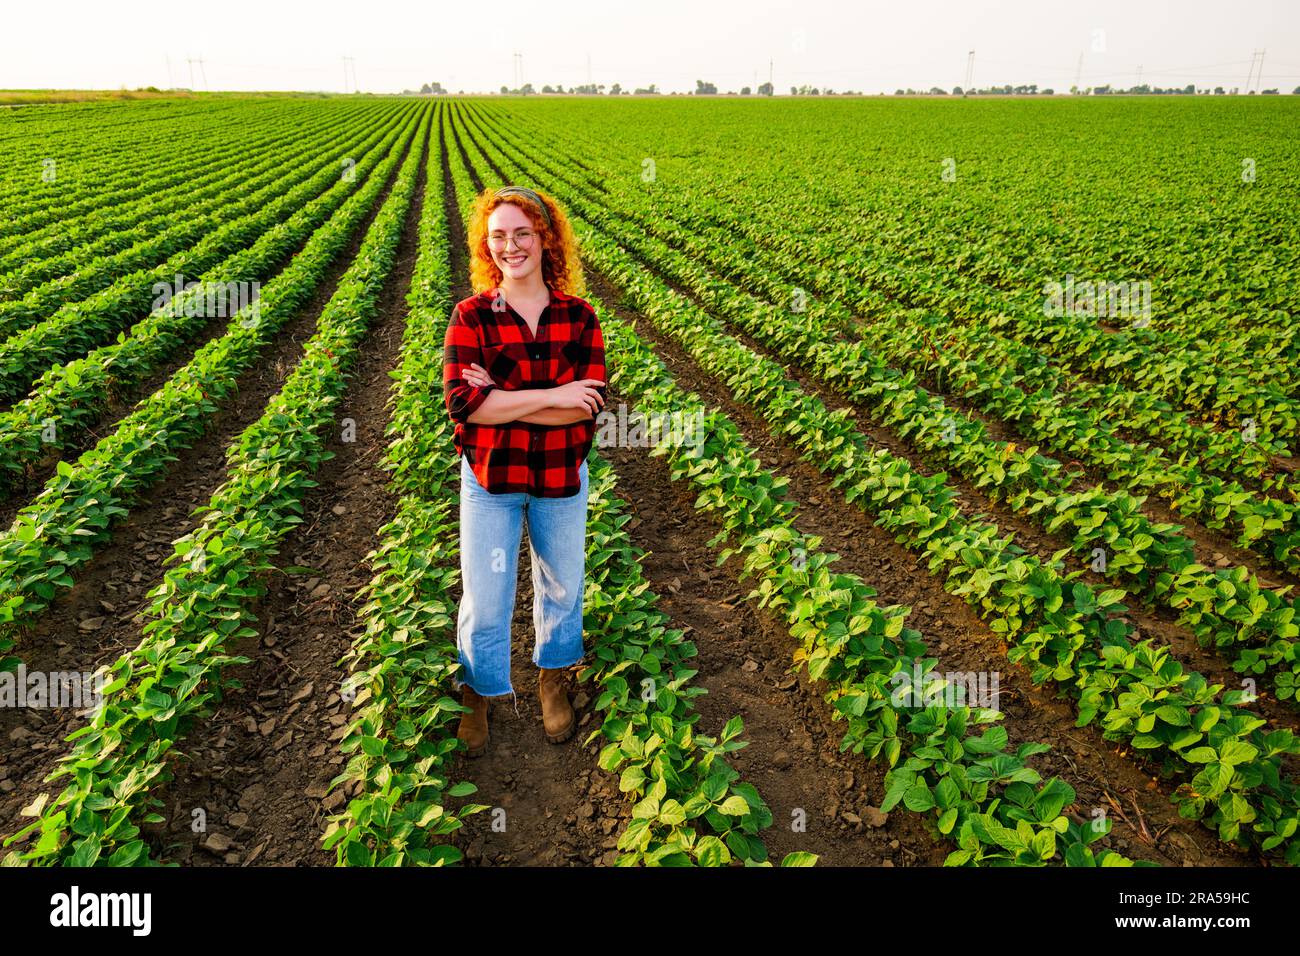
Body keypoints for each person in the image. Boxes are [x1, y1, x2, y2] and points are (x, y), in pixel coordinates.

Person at [442, 185, 607, 757]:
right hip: (491, 477)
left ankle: (552, 678)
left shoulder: (579, 317)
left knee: (563, 586)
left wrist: (505, 397)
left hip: (562, 474)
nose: (510, 246)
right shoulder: (471, 316)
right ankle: (479, 692)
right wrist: (555, 395)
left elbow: (590, 404)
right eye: (498, 237)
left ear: (545, 239)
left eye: (522, 234)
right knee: (485, 598)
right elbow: (464, 404)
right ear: (487, 248)